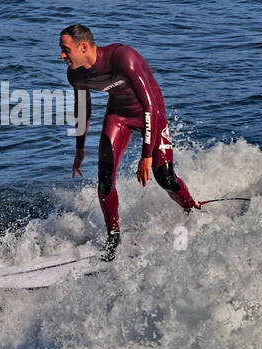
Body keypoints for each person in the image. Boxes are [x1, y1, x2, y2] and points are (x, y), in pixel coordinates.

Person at [59, 24, 201, 260]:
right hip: (119, 118)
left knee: (164, 177)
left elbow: (150, 106)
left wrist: (146, 156)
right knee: (105, 180)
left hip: (151, 115)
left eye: (66, 49)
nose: (62, 56)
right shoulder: (75, 75)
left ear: (84, 46)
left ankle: (193, 211)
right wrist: (80, 147)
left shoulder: (122, 57)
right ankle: (114, 237)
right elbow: (83, 109)